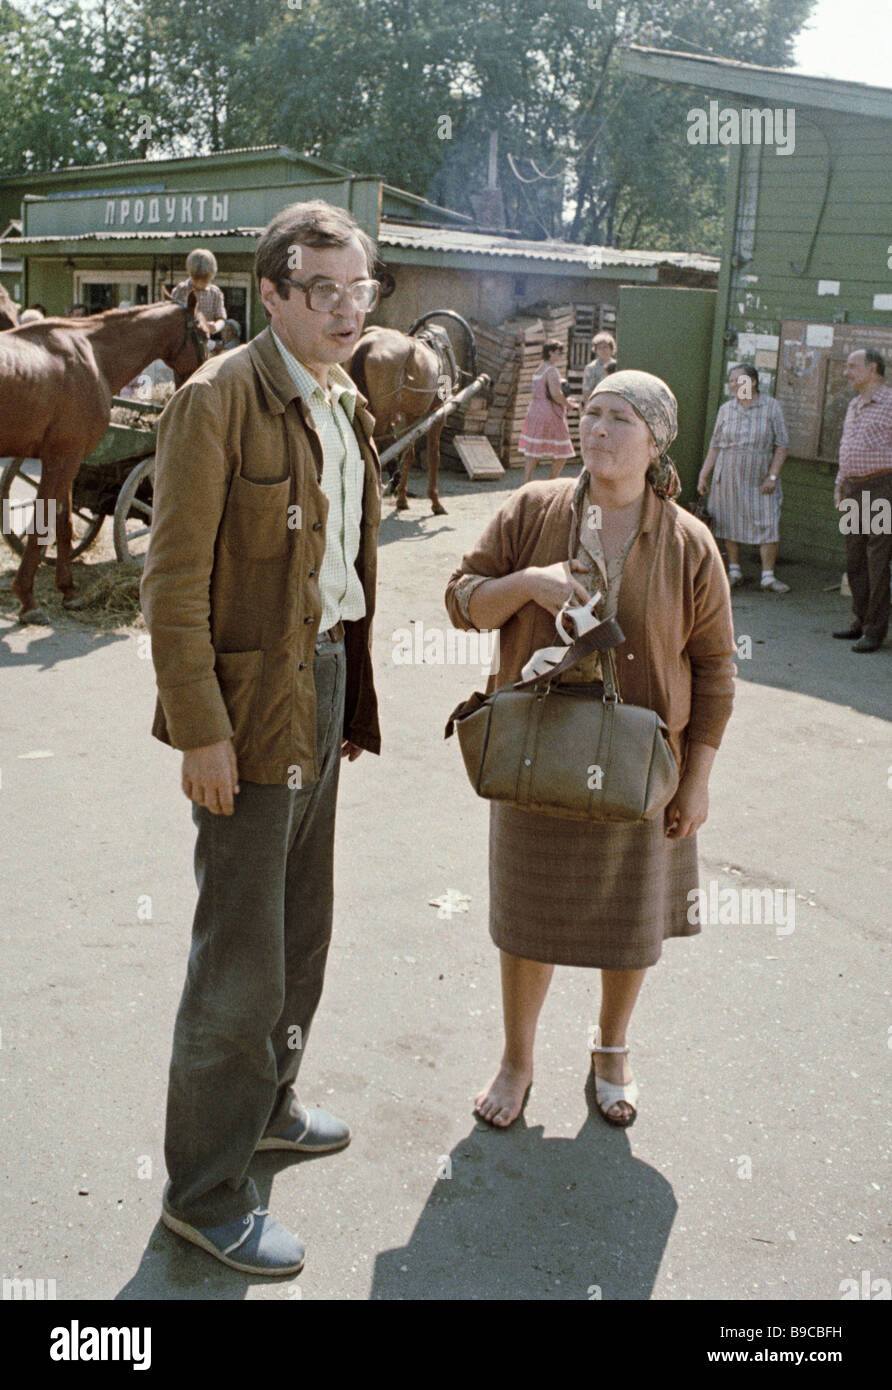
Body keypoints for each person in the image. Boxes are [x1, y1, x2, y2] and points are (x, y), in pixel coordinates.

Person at [141, 200, 384, 1276]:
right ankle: (204, 1191)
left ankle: (271, 1106)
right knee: (238, 957)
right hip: (249, 706)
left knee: (301, 928)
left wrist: (350, 700)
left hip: (321, 681)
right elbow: (172, 581)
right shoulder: (218, 399)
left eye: (359, 287)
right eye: (322, 290)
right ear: (270, 295)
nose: (345, 309)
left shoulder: (341, 395)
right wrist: (202, 731)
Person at [445, 371, 736, 1129]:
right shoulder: (533, 509)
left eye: (619, 419)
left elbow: (715, 666)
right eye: (591, 414)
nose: (597, 431)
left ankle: (612, 1050)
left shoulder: (687, 542)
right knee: (526, 916)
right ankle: (517, 1059)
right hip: (535, 756)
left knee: (628, 921)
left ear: (656, 440)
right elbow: (462, 601)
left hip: (642, 769)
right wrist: (528, 584)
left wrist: (697, 779)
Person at [698, 363, 790, 592]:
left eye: (739, 380)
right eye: (731, 381)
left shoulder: (771, 407)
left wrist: (772, 476)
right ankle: (734, 571)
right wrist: (703, 475)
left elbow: (782, 446)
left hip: (760, 477)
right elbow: (716, 445)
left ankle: (768, 576)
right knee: (729, 520)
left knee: (768, 520)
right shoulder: (726, 409)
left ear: (754, 382)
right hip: (727, 474)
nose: (734, 385)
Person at [832, 348, 892, 652]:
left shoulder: (890, 403)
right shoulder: (854, 405)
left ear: (873, 370)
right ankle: (860, 620)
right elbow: (847, 448)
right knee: (855, 556)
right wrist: (839, 485)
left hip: (882, 488)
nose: (846, 372)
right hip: (854, 488)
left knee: (878, 560)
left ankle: (875, 629)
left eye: (852, 367)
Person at [518, 339, 578, 484]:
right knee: (562, 450)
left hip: (535, 410)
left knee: (534, 449)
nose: (561, 356)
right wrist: (568, 405)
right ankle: (552, 481)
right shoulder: (551, 370)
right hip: (550, 413)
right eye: (559, 353)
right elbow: (556, 394)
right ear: (550, 353)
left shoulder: (539, 369)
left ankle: (526, 481)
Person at [171, 248, 227, 336]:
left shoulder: (215, 293)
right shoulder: (181, 290)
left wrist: (216, 327)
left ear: (211, 276)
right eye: (196, 279)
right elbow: (172, 318)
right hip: (183, 340)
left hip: (205, 340)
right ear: (190, 274)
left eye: (205, 280)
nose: (200, 283)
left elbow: (221, 318)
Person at [581, 331, 617, 399]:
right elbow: (586, 390)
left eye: (605, 347)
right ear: (596, 350)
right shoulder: (591, 368)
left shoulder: (617, 365)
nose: (603, 350)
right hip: (597, 400)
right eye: (599, 348)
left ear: (611, 348)